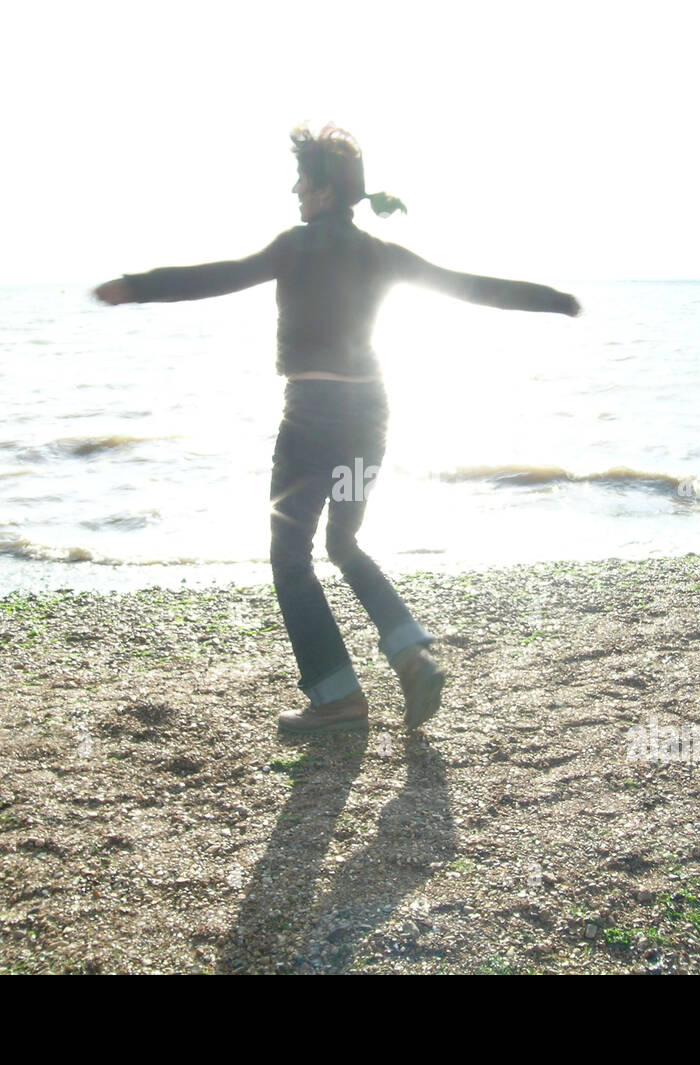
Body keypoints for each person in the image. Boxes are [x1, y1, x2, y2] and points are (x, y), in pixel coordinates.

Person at [93, 123, 580, 735]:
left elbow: (216, 276)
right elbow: (469, 288)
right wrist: (553, 299)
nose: (294, 189)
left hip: (313, 421)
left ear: (323, 191)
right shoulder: (382, 254)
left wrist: (136, 287)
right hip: (368, 422)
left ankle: (337, 698)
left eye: (302, 179)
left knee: (291, 556)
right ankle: (410, 652)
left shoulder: (295, 246)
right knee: (344, 543)